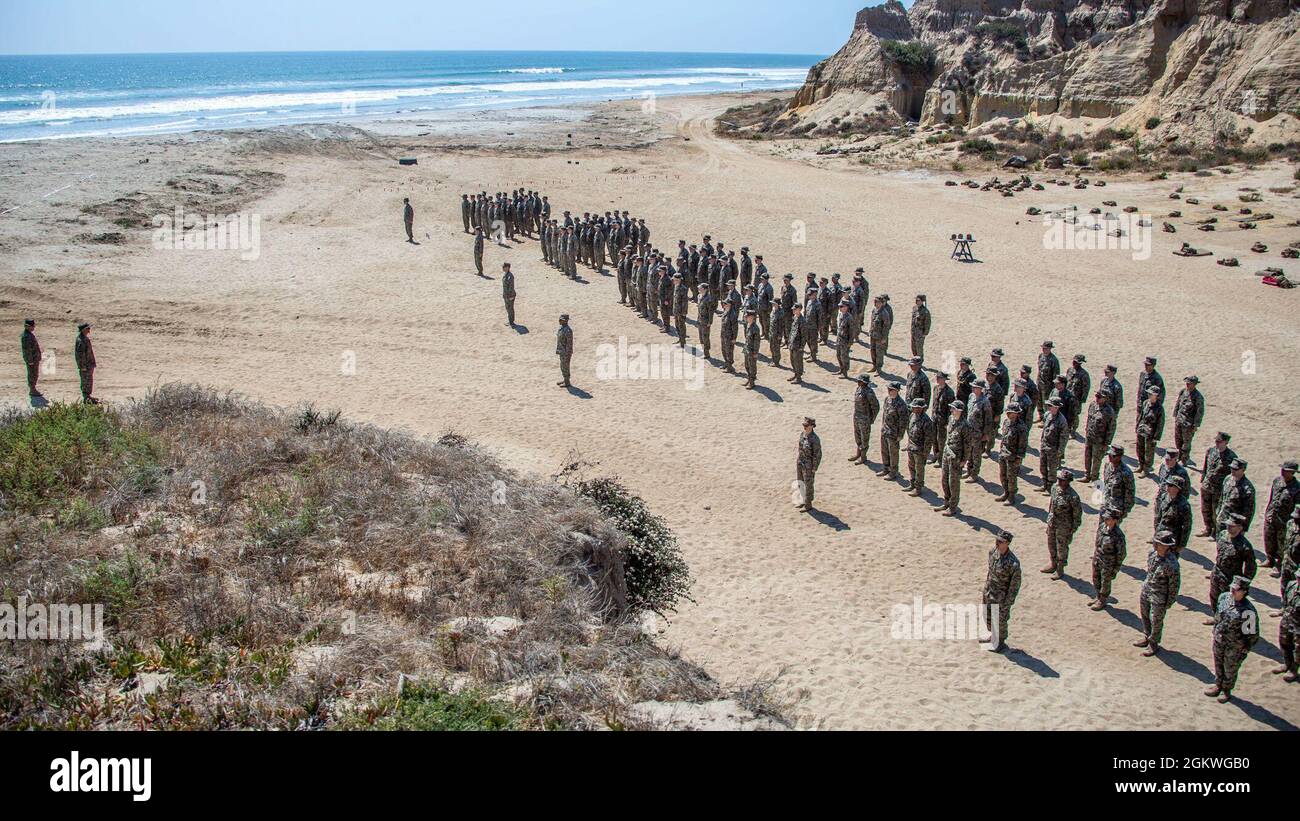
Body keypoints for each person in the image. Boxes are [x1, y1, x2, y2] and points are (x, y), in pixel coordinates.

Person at [1206, 576, 1260, 704]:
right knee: (1218, 664)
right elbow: (1218, 615)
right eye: (1232, 588)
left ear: (1244, 591)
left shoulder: (1248, 611)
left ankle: (1226, 690)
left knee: (1230, 669)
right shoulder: (1224, 597)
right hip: (1220, 640)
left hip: (1235, 646)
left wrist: (1244, 649)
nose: (1232, 591)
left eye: (1236, 589)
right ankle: (1218, 685)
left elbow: (1252, 635)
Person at [1136, 531, 1181, 657]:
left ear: (1165, 546)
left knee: (1156, 620)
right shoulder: (1152, 554)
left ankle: (1154, 643)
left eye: (1158, 543)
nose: (1155, 545)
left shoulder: (1172, 564)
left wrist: (1169, 602)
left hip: (1159, 596)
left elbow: (1174, 586)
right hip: (1147, 589)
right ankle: (1146, 636)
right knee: (1144, 614)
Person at [1205, 514, 1257, 622]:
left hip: (1231, 578)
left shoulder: (1244, 546)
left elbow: (1251, 567)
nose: (1229, 528)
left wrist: (1242, 583)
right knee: (1214, 596)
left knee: (1228, 601)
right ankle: (1217, 618)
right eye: (1228, 525)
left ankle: (1227, 623)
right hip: (1217, 572)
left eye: (1232, 526)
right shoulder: (1223, 535)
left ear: (1240, 528)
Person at [982, 530, 1022, 653]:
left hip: (1001, 597)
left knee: (1000, 620)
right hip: (989, 591)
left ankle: (1000, 642)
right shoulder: (992, 552)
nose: (997, 543)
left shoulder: (1013, 563)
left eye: (1001, 541)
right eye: (997, 540)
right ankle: (993, 636)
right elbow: (990, 571)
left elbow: (1014, 586)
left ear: (1008, 543)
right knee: (987, 616)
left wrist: (1007, 602)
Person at [1044, 469, 1083, 580]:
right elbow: (1051, 504)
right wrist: (1049, 520)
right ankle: (1053, 564)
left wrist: (1072, 529)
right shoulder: (1054, 488)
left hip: (1064, 526)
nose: (1060, 481)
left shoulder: (1073, 496)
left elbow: (1077, 515)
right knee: (1051, 543)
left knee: (1062, 547)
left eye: (1062, 480)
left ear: (1068, 481)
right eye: (1059, 479)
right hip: (1053, 522)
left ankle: (1060, 569)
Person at [1198, 432, 1237, 537]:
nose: (1217, 443)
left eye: (1219, 441)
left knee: (1217, 512)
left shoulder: (1231, 457)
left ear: (1226, 442)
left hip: (1219, 489)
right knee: (1205, 509)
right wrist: (1203, 479)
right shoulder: (1210, 451)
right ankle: (1207, 528)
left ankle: (1216, 532)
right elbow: (1206, 467)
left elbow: (1233, 475)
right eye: (1216, 441)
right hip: (1207, 486)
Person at [1263, 461, 1299, 572]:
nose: (1282, 472)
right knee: (1268, 539)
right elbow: (1272, 498)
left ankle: (1278, 565)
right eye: (1282, 469)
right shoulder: (1277, 481)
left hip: (1284, 520)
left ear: (1292, 473)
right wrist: (1267, 512)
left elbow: (1297, 508)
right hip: (1271, 516)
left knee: (1281, 543)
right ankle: (1269, 559)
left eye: (1286, 471)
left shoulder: (1297, 488)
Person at [1089, 507, 1127, 611]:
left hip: (1108, 563)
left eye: (1108, 519)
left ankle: (1102, 600)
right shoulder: (1102, 527)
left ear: (1115, 520)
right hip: (1098, 558)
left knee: (1105, 582)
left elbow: (1121, 554)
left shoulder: (1118, 535)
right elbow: (1098, 542)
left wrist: (1116, 568)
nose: (1106, 520)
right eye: (1105, 518)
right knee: (1096, 578)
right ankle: (1097, 596)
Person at [937, 401, 970, 517]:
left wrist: (964, 460)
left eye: (954, 409)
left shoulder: (965, 425)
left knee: (953, 483)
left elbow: (967, 444)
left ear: (960, 411)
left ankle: (953, 507)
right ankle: (946, 502)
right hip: (947, 454)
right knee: (944, 480)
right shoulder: (951, 419)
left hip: (957, 457)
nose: (951, 410)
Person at [996, 405, 1028, 505]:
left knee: (1012, 477)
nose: (1009, 414)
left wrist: (1019, 457)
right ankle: (1006, 492)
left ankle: (1011, 496)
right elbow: (1004, 438)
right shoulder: (1006, 422)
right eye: (1009, 412)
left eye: (1012, 412)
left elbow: (1023, 444)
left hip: (1013, 456)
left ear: (1017, 413)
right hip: (1003, 454)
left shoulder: (1021, 427)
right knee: (1003, 475)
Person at [1083, 390, 1117, 483]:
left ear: (1105, 399)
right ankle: (1087, 475)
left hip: (1100, 440)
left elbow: (1111, 428)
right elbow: (1089, 419)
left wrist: (1107, 443)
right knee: (1087, 456)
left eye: (1099, 397)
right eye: (1096, 396)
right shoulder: (1093, 405)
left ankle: (1094, 478)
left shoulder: (1109, 411)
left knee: (1096, 459)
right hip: (1090, 436)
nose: (1097, 398)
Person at [904, 399, 935, 497]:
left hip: (920, 450)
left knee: (919, 469)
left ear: (921, 409)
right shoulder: (912, 416)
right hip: (911, 447)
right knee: (911, 466)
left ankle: (918, 488)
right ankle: (912, 484)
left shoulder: (927, 421)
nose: (913, 408)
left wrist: (925, 453)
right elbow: (909, 429)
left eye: (915, 407)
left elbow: (929, 439)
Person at [1173, 376, 1205, 465]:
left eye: (1189, 383)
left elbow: (1199, 412)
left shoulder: (1198, 397)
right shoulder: (1183, 391)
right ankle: (1179, 456)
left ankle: (1184, 459)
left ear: (1194, 384)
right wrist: (1175, 415)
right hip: (1179, 421)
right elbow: (1178, 403)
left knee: (1186, 443)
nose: (1187, 384)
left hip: (1188, 424)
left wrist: (1195, 425)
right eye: (1186, 383)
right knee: (1178, 440)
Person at [879, 382, 908, 481]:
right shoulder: (887, 400)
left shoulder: (901, 404)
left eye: (891, 390)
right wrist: (883, 426)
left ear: (897, 391)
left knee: (893, 453)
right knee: (884, 451)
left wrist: (900, 435)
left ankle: (893, 472)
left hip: (894, 433)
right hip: (885, 430)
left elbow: (903, 422)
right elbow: (884, 414)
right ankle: (885, 468)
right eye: (888, 389)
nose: (889, 391)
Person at [849, 375, 880, 465]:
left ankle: (863, 457)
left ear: (865, 382)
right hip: (857, 417)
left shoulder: (869, 392)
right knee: (857, 436)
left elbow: (875, 406)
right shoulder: (858, 389)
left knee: (864, 438)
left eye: (860, 381)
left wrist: (871, 419)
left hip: (865, 419)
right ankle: (858, 454)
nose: (858, 382)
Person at [1038, 399, 1068, 491]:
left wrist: (1060, 451)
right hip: (1044, 446)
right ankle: (1044, 484)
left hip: (1053, 448)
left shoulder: (1061, 420)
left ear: (1056, 407)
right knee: (1043, 466)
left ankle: (1051, 487)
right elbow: (1045, 430)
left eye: (1051, 406)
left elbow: (1064, 437)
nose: (1049, 407)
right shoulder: (1047, 415)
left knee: (1052, 469)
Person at [1275, 570, 1299, 683]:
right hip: (1287, 620)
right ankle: (1287, 664)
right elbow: (1285, 601)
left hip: (1298, 627)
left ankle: (1294, 670)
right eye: (1298, 576)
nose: (1298, 579)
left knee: (1297, 649)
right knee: (1284, 643)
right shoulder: (1292, 585)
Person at [1135, 386, 1165, 477]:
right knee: (1140, 448)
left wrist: (1156, 437)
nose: (1149, 395)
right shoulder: (1145, 403)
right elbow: (1141, 415)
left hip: (1151, 433)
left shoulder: (1159, 408)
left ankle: (1146, 469)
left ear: (1156, 395)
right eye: (1149, 393)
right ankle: (1140, 465)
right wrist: (1137, 426)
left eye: (1151, 394)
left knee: (1149, 452)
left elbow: (1160, 424)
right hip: (1142, 430)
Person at [1102, 445, 1136, 522]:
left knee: (1112, 531)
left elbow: (1130, 493)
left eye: (1113, 456)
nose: (1110, 457)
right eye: (1109, 455)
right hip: (1106, 503)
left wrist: (1125, 510)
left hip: (1117, 508)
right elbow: (1106, 482)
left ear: (1119, 457)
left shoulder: (1126, 473)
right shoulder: (1107, 466)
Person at [796, 418, 822, 513]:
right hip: (800, 462)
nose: (804, 427)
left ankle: (808, 504)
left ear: (811, 426)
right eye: (804, 425)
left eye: (806, 426)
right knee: (800, 482)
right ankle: (803, 500)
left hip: (809, 465)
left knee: (808, 485)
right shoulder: (802, 434)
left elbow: (818, 455)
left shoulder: (814, 439)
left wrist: (814, 468)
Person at [74, 323, 97, 404]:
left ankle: (88, 397)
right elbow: (80, 355)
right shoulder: (81, 340)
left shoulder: (84, 338)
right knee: (85, 381)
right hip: (85, 365)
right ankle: (86, 398)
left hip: (88, 364)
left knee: (89, 381)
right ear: (83, 330)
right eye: (87, 328)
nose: (89, 330)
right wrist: (83, 366)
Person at [21, 319, 42, 399]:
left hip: (34, 359)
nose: (34, 327)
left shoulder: (29, 334)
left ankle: (33, 389)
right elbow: (27, 350)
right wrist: (30, 361)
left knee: (34, 374)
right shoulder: (26, 336)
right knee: (32, 374)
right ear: (28, 326)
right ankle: (32, 390)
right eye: (32, 326)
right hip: (32, 360)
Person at [787, 302, 806, 385]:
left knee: (798, 361)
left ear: (799, 309)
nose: (793, 311)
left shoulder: (802, 320)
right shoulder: (795, 317)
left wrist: (802, 346)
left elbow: (804, 335)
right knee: (792, 360)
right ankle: (795, 374)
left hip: (798, 345)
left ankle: (799, 377)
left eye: (795, 309)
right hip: (793, 344)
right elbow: (792, 331)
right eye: (793, 309)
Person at [742, 310, 761, 390]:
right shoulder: (748, 325)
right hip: (747, 349)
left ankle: (752, 382)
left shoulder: (755, 328)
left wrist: (755, 352)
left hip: (752, 351)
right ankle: (749, 379)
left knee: (752, 366)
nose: (746, 317)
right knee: (747, 365)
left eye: (747, 316)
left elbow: (757, 342)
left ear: (752, 317)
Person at [697, 283, 716, 360]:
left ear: (704, 289)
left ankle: (706, 353)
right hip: (700, 320)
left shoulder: (708, 299)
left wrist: (709, 322)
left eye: (700, 288)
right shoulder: (700, 296)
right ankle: (704, 351)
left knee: (705, 337)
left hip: (705, 321)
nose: (698, 290)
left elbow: (710, 312)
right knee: (701, 337)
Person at [555, 315, 573, 390]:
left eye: (561, 320)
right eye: (559, 319)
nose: (559, 321)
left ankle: (567, 382)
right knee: (562, 366)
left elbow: (569, 343)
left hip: (565, 352)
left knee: (565, 366)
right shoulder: (561, 328)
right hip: (562, 350)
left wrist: (567, 353)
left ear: (565, 321)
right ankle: (565, 380)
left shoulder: (568, 330)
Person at [910, 295, 931, 360]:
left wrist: (925, 333)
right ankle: (916, 361)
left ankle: (920, 363)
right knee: (913, 348)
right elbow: (913, 320)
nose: (917, 302)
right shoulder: (914, 308)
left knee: (919, 349)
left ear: (922, 301)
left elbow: (928, 323)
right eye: (916, 300)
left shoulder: (925, 311)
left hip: (920, 333)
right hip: (913, 332)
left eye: (918, 300)